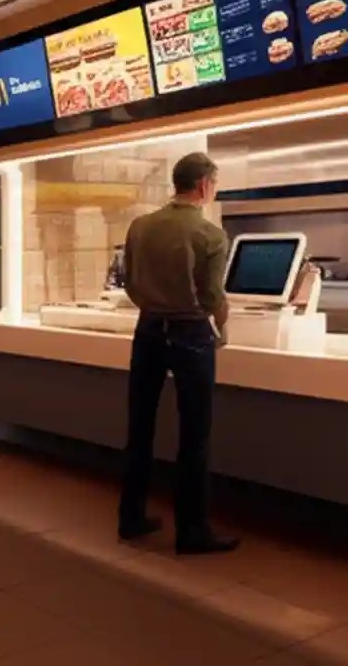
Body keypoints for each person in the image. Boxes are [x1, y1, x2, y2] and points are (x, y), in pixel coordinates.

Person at [117, 152, 239, 555]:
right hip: (190, 334)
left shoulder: (140, 226)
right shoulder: (210, 235)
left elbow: (129, 282)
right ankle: (192, 530)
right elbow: (212, 297)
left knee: (140, 427)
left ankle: (131, 517)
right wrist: (222, 327)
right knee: (194, 435)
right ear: (204, 185)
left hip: (148, 329)